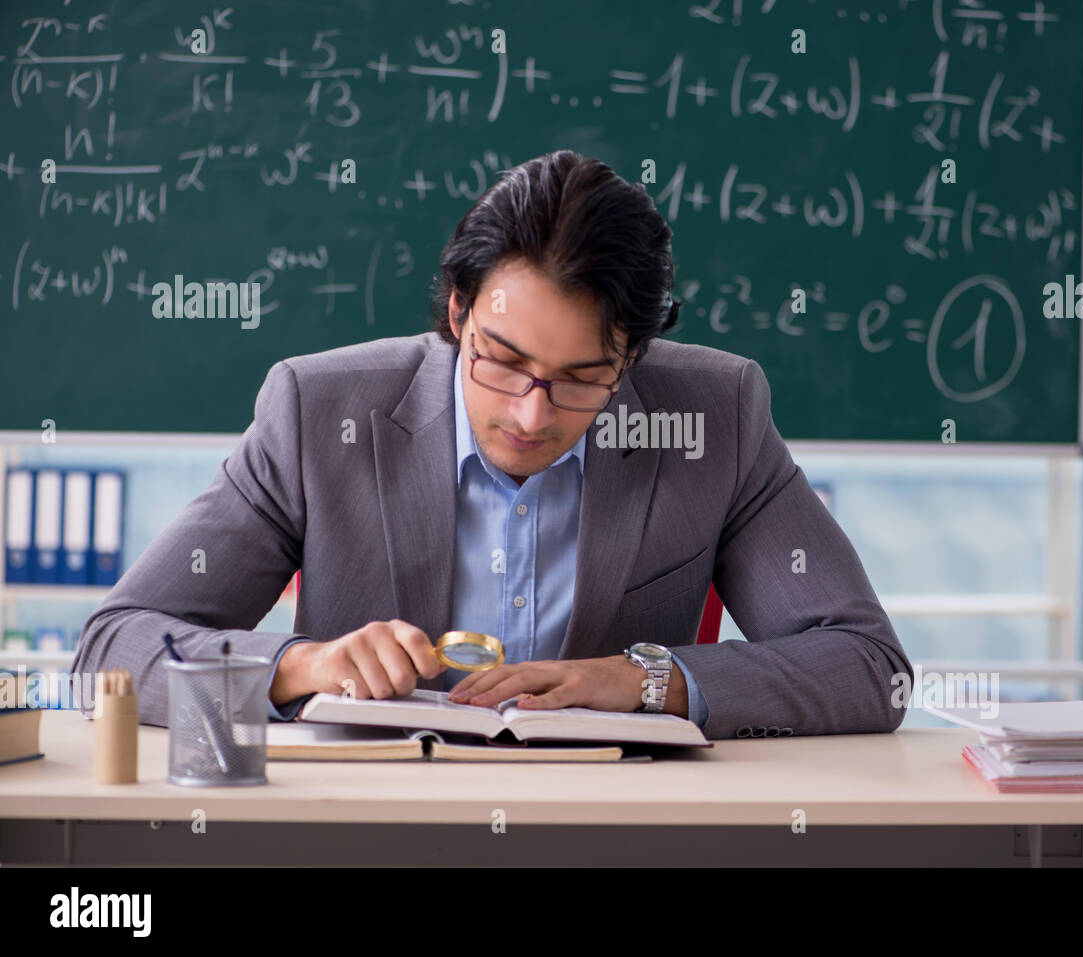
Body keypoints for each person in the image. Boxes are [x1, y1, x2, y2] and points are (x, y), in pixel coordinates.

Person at [73, 150, 913, 739]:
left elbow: (873, 667)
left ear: (632, 357)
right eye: (502, 361)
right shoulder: (317, 411)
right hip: (369, 833)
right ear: (457, 312)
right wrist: (303, 664)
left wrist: (645, 680)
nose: (530, 413)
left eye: (581, 377)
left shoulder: (714, 415)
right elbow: (112, 649)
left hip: (614, 837)